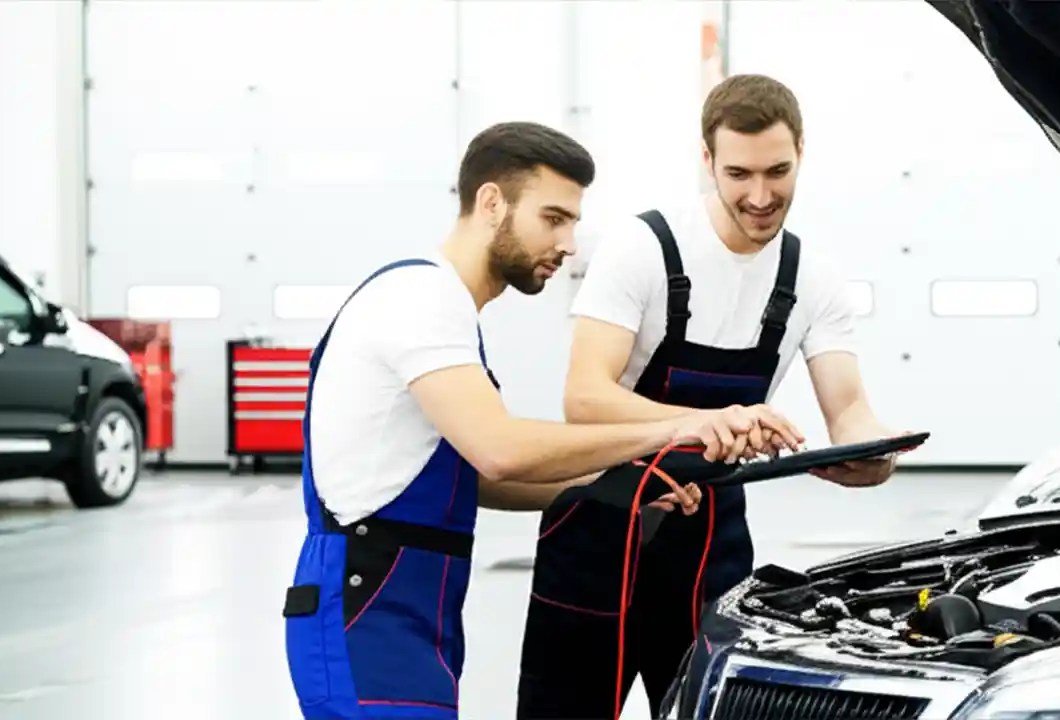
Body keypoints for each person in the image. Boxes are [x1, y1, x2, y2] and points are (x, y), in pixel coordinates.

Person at [280, 120, 796, 720]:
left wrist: (621, 489)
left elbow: (474, 480)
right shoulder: (419, 299)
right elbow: (500, 448)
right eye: (554, 218)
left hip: (411, 609)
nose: (570, 242)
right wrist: (678, 427)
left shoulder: (445, 310)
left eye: (573, 221)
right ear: (492, 203)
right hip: (362, 604)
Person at [515, 75, 908, 720]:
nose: (760, 195)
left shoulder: (814, 278)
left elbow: (850, 408)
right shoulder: (644, 248)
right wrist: (708, 421)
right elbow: (584, 398)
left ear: (801, 153)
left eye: (778, 171)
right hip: (601, 533)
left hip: (711, 551)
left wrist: (875, 456)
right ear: (707, 161)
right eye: (739, 174)